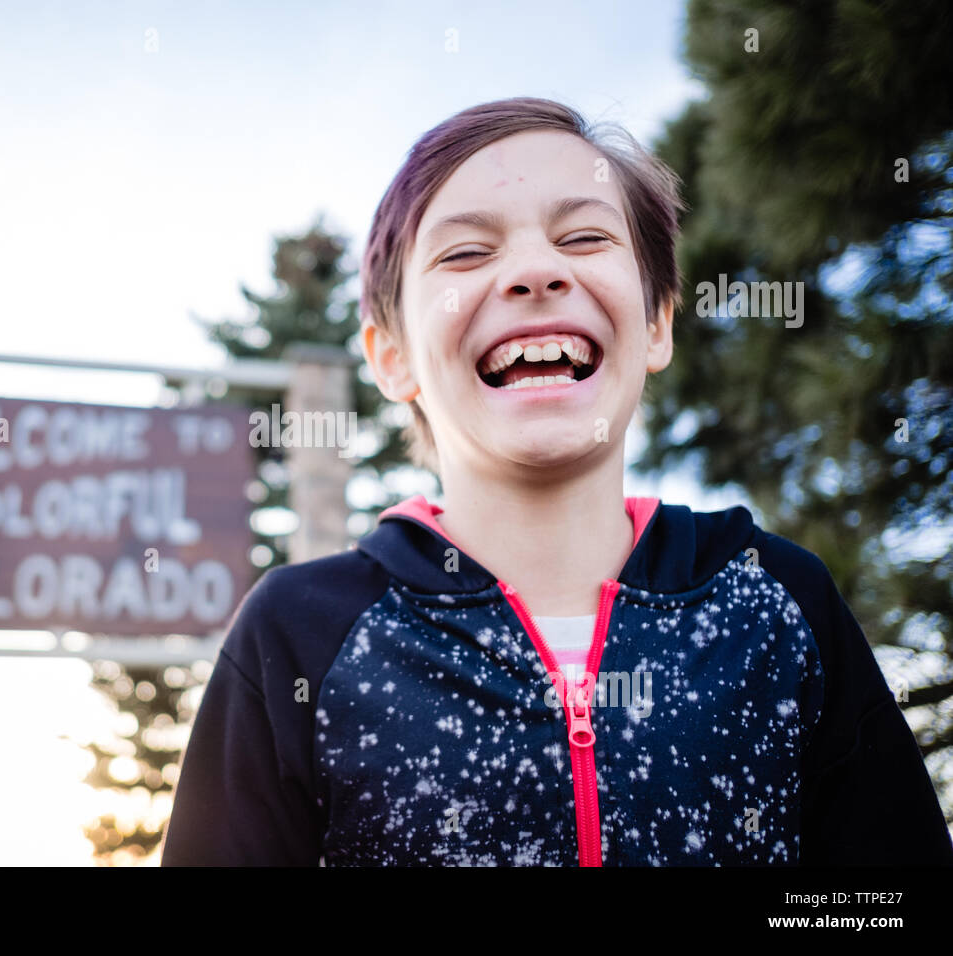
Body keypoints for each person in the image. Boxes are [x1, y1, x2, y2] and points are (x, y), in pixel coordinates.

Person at [160, 97, 953, 866]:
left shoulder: (778, 600)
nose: (536, 271)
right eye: (467, 252)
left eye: (582, 238)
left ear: (656, 324)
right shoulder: (296, 638)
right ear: (392, 357)